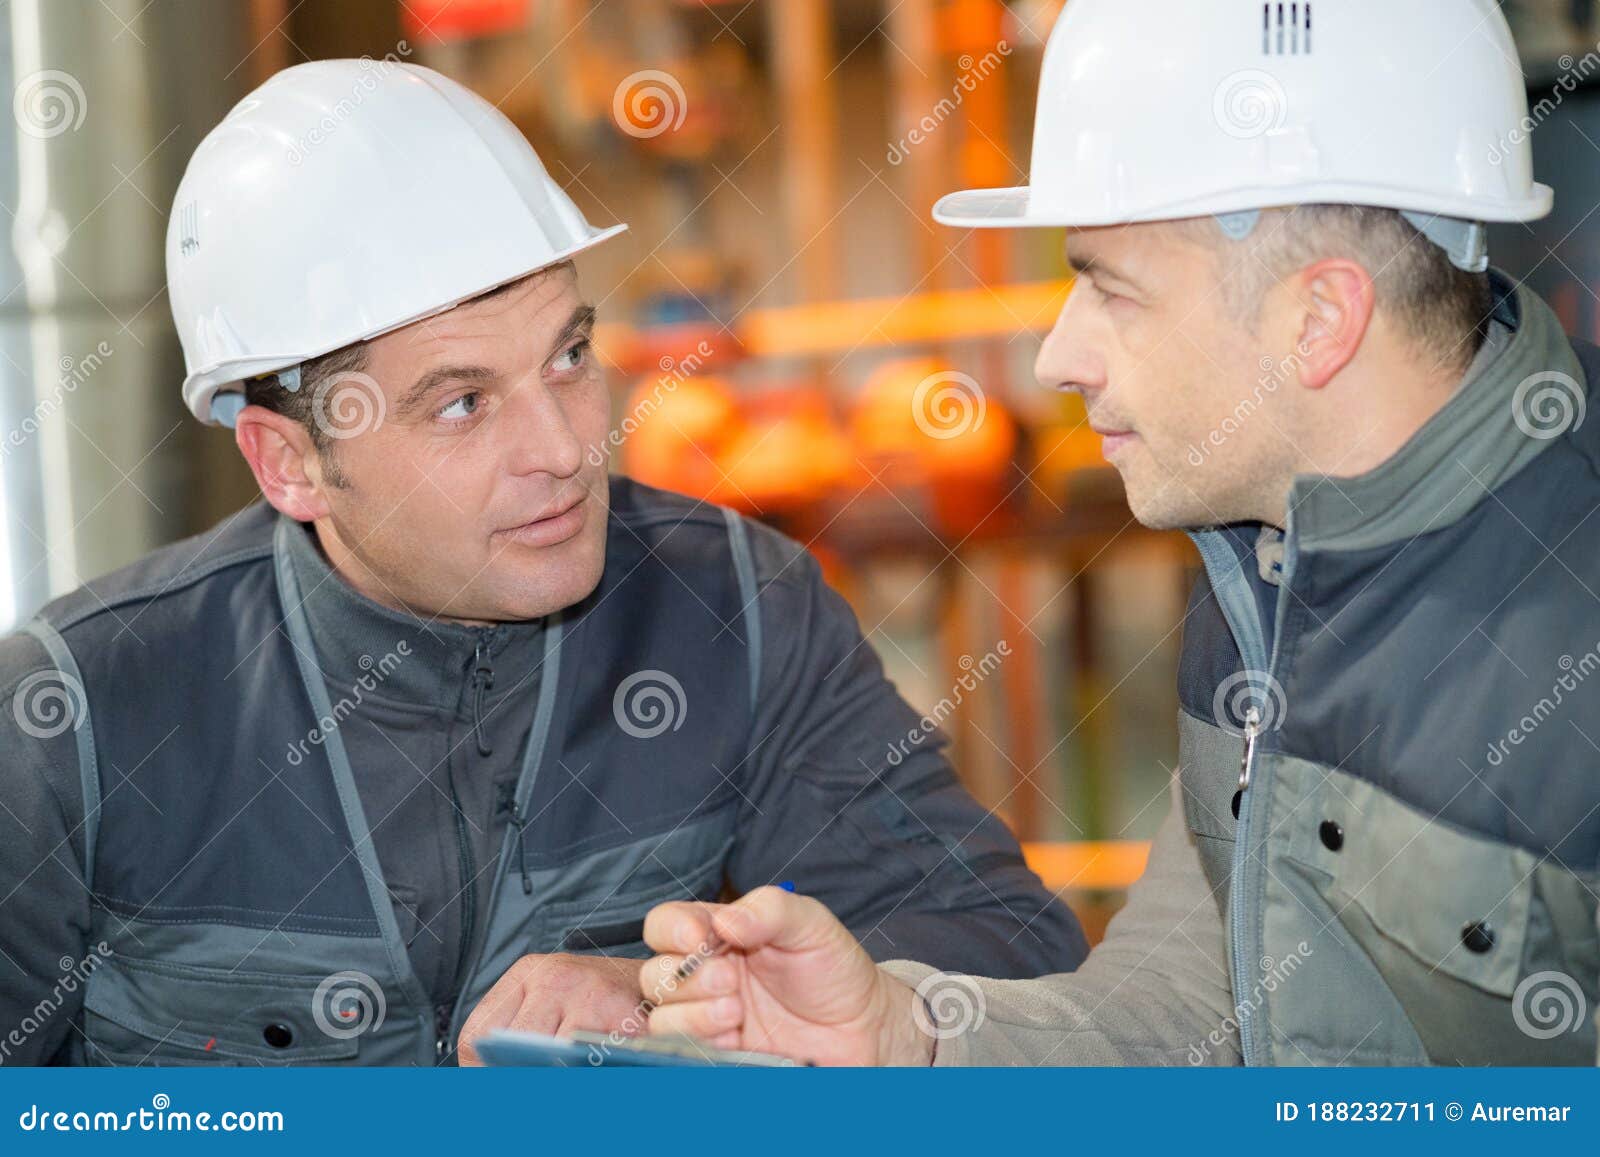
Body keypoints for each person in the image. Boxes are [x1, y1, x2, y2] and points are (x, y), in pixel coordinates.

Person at [0, 59, 1085, 1068]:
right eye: (463, 402)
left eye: (568, 357)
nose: (567, 449)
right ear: (290, 461)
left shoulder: (735, 612)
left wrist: (667, 995)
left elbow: (1010, 948)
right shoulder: (80, 714)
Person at [640, 0, 1600, 1066]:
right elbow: (1194, 1009)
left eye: (1111, 290)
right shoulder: (1269, 562)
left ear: (1317, 321)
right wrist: (910, 1034)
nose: (1058, 356)